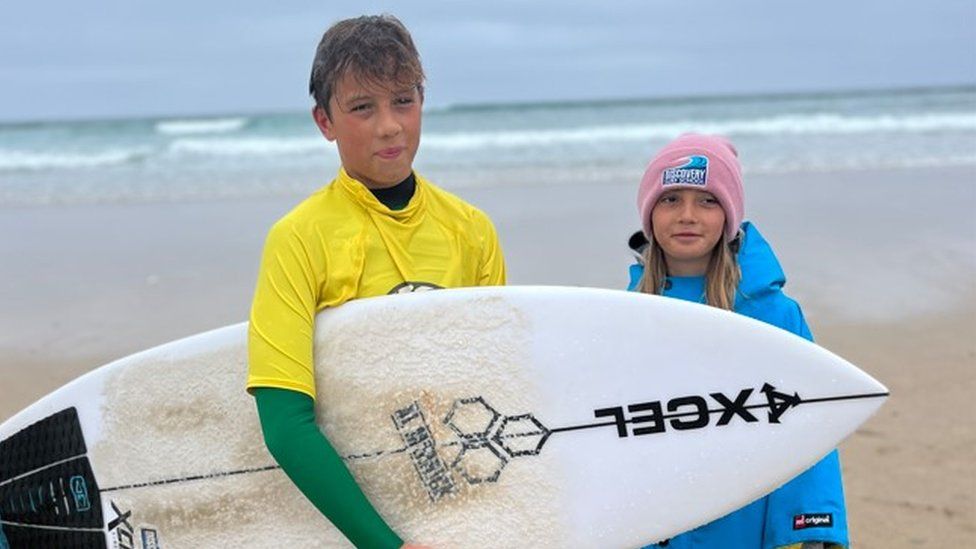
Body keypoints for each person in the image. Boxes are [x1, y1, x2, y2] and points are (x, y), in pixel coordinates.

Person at [246, 15, 505, 549]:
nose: (389, 125)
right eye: (363, 107)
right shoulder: (298, 239)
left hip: (457, 509)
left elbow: (492, 389)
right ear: (325, 122)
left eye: (403, 101)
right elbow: (284, 421)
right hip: (347, 516)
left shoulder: (472, 231)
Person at [628, 133, 848, 549]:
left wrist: (814, 528)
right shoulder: (624, 317)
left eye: (708, 200)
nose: (687, 215)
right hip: (650, 526)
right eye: (670, 198)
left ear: (729, 215)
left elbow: (809, 425)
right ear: (649, 213)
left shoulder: (774, 315)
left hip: (743, 525)